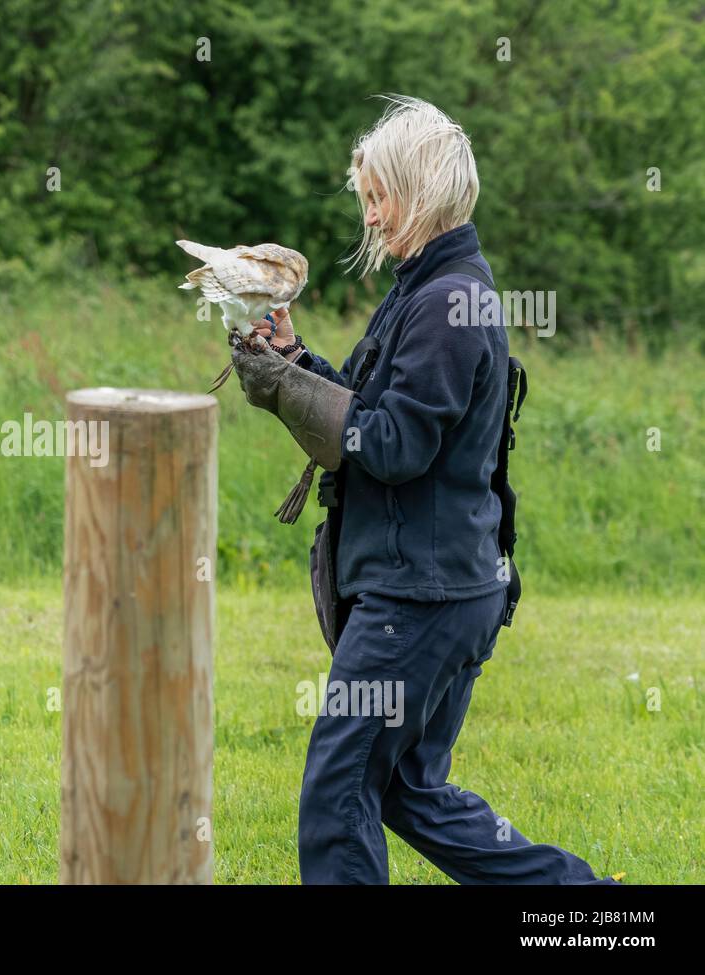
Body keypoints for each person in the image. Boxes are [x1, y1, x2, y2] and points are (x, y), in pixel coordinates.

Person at [229, 95, 620, 885]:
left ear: (426, 188)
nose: (370, 218)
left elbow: (395, 445)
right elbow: (375, 413)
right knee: (407, 790)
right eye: (366, 199)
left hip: (421, 600)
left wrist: (283, 393)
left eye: (381, 197)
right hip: (447, 590)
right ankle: (583, 901)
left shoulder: (447, 302)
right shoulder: (431, 287)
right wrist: (295, 361)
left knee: (338, 787)